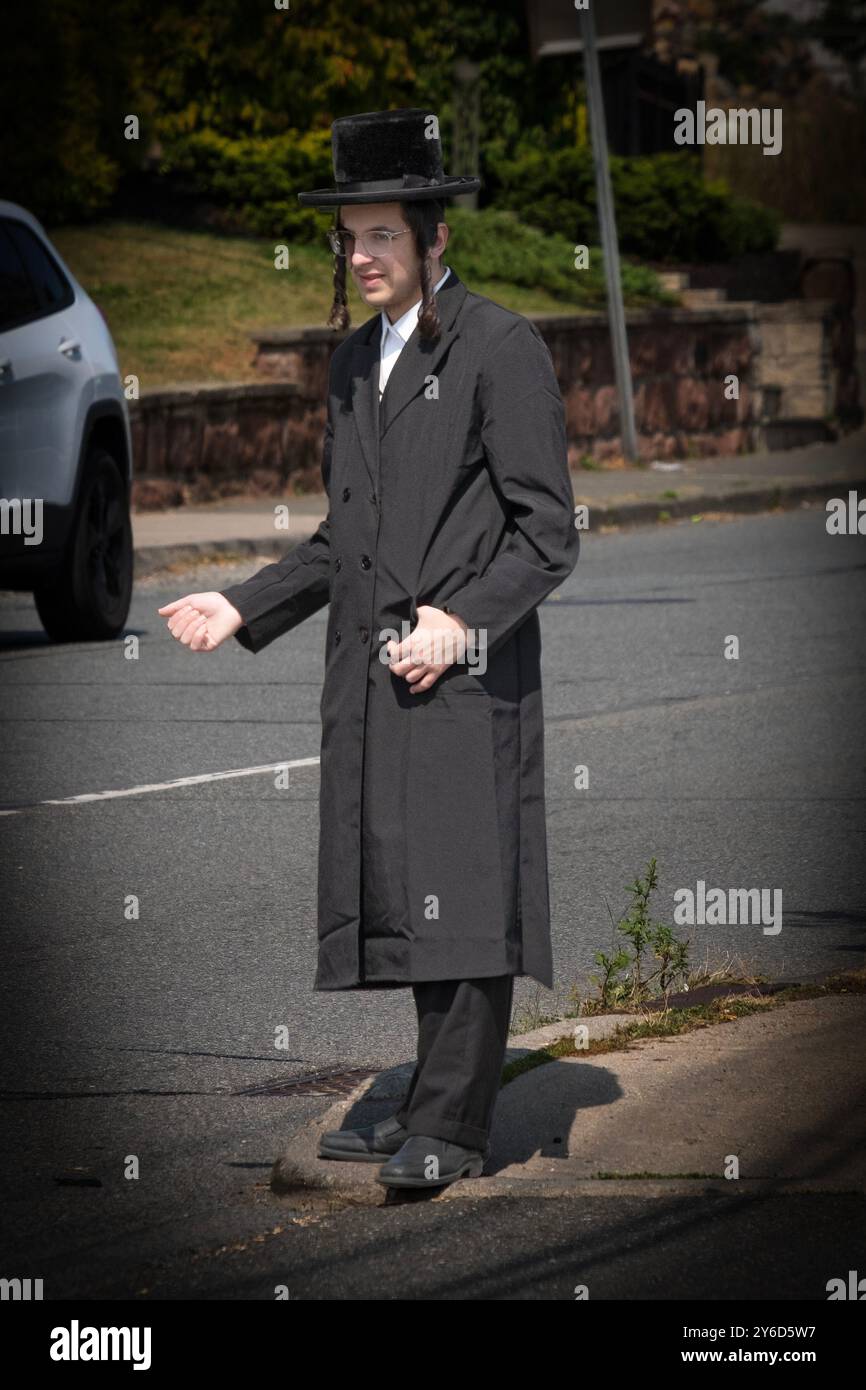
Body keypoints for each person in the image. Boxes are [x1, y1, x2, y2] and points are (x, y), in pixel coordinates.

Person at [159, 107, 579, 1190]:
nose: (362, 255)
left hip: (463, 666)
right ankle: (427, 1106)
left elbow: (547, 532)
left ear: (438, 239)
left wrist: (460, 621)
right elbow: (344, 534)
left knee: (463, 886)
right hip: (371, 667)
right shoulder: (352, 362)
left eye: (384, 235)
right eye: (351, 237)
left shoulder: (501, 348)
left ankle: (453, 1122)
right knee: (401, 884)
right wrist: (243, 603)